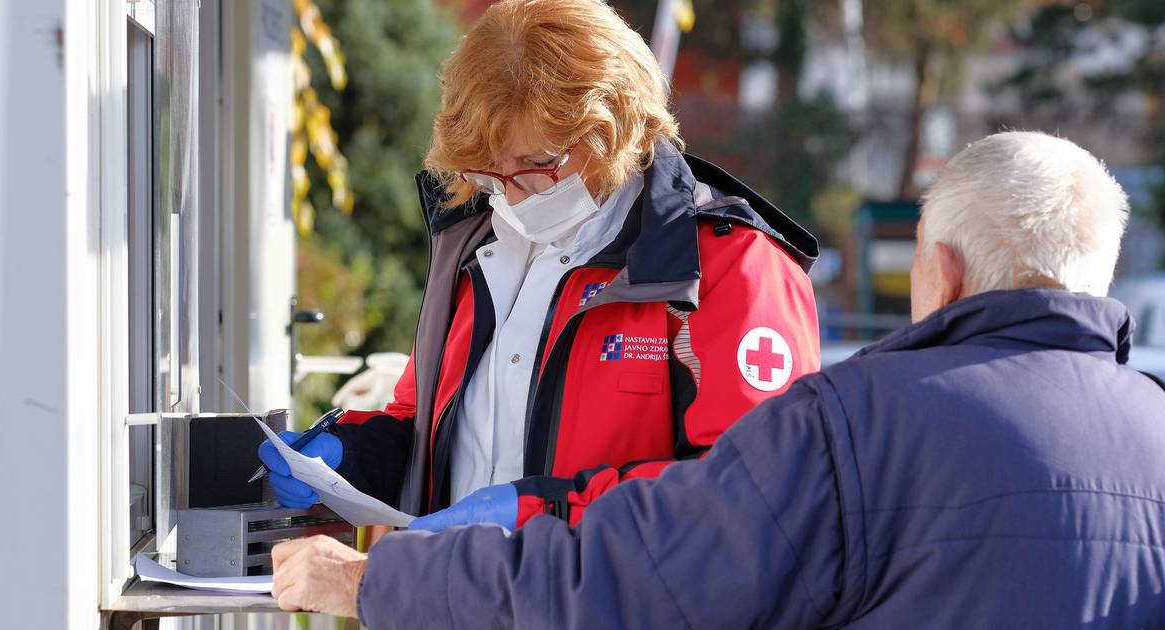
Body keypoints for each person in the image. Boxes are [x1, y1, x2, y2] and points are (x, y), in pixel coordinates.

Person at [270, 131, 1165, 628]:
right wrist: (362, 448)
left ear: (943, 270)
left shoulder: (851, 423)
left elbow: (636, 576)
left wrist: (378, 584)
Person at [258, 0, 820, 533]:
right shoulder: (474, 246)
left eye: (538, 163)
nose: (512, 196)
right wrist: (352, 456)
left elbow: (758, 491)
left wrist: (544, 513)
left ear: (616, 128)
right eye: (489, 170)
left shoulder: (727, 265)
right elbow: (428, 426)